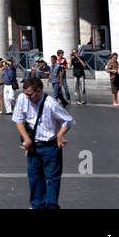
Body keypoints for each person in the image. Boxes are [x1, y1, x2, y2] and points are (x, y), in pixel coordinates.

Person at [12, 74, 75, 209]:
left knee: (52, 179)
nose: (27, 97)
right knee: (34, 177)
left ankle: (51, 206)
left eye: (30, 94)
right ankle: (36, 205)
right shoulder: (23, 98)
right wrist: (27, 139)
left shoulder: (51, 103)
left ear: (39, 91)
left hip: (51, 146)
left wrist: (60, 135)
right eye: (26, 94)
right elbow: (18, 119)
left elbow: (68, 120)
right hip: (33, 146)